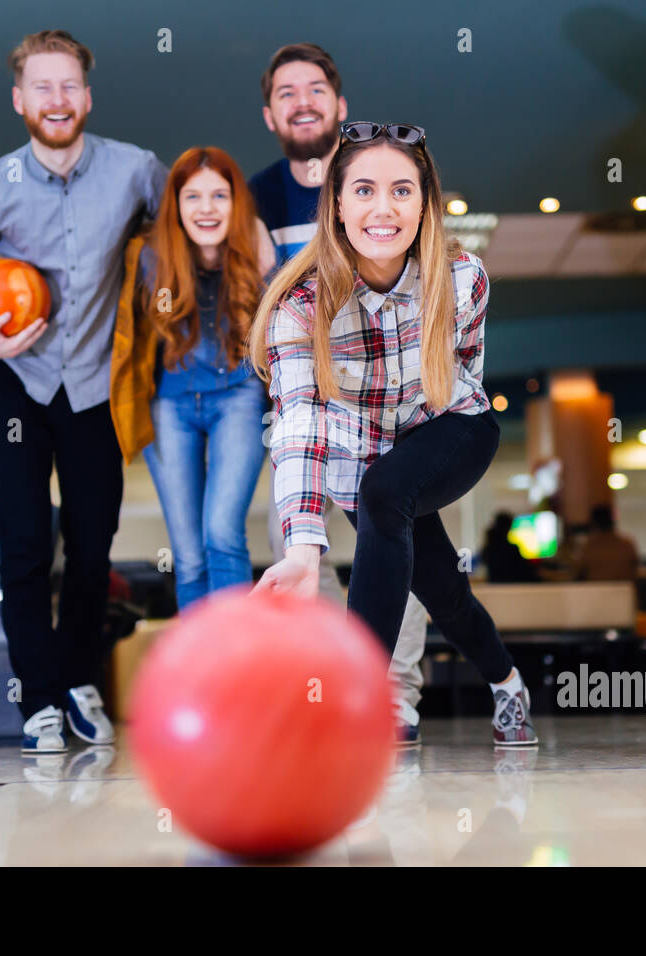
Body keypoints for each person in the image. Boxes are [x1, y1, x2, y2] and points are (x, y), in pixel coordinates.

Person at [249, 121, 538, 748]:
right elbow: (298, 425)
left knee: (387, 493)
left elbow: (461, 375)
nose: (384, 208)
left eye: (403, 191)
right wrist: (303, 546)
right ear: (337, 205)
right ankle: (508, 681)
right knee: (440, 587)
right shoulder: (297, 307)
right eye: (365, 190)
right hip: (362, 451)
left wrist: (408, 455)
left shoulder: (463, 279)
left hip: (452, 426)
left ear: (426, 204)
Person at [0, 30, 168, 754]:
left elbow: (186, 230)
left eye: (69, 86)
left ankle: (76, 680)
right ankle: (37, 700)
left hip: (96, 386)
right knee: (25, 547)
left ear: (87, 96)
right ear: (19, 100)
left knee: (92, 550)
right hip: (19, 385)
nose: (57, 100)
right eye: (42, 87)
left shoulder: (135, 171)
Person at [249, 42, 430, 745]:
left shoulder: (384, 182)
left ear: (340, 105)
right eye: (288, 92)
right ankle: (329, 688)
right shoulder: (256, 199)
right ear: (271, 114)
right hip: (310, 399)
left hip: (389, 403)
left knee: (402, 542)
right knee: (296, 545)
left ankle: (392, 693)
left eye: (316, 88)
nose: (304, 101)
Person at [129, 147, 273, 613]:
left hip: (238, 397)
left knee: (222, 535)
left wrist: (258, 247)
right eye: (193, 197)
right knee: (188, 555)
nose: (207, 208)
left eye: (219, 196)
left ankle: (235, 672)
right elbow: (158, 318)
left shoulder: (256, 251)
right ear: (176, 205)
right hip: (171, 405)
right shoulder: (154, 258)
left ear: (237, 204)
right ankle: (199, 673)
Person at [575, 505, 640, 581]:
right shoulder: (627, 544)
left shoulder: (590, 547)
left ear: (594, 524)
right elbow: (635, 568)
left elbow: (579, 573)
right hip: (625, 590)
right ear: (612, 522)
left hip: (597, 590)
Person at [482, 511, 542, 583]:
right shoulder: (512, 549)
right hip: (515, 588)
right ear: (508, 527)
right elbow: (526, 572)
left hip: (495, 589)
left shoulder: (488, 548)